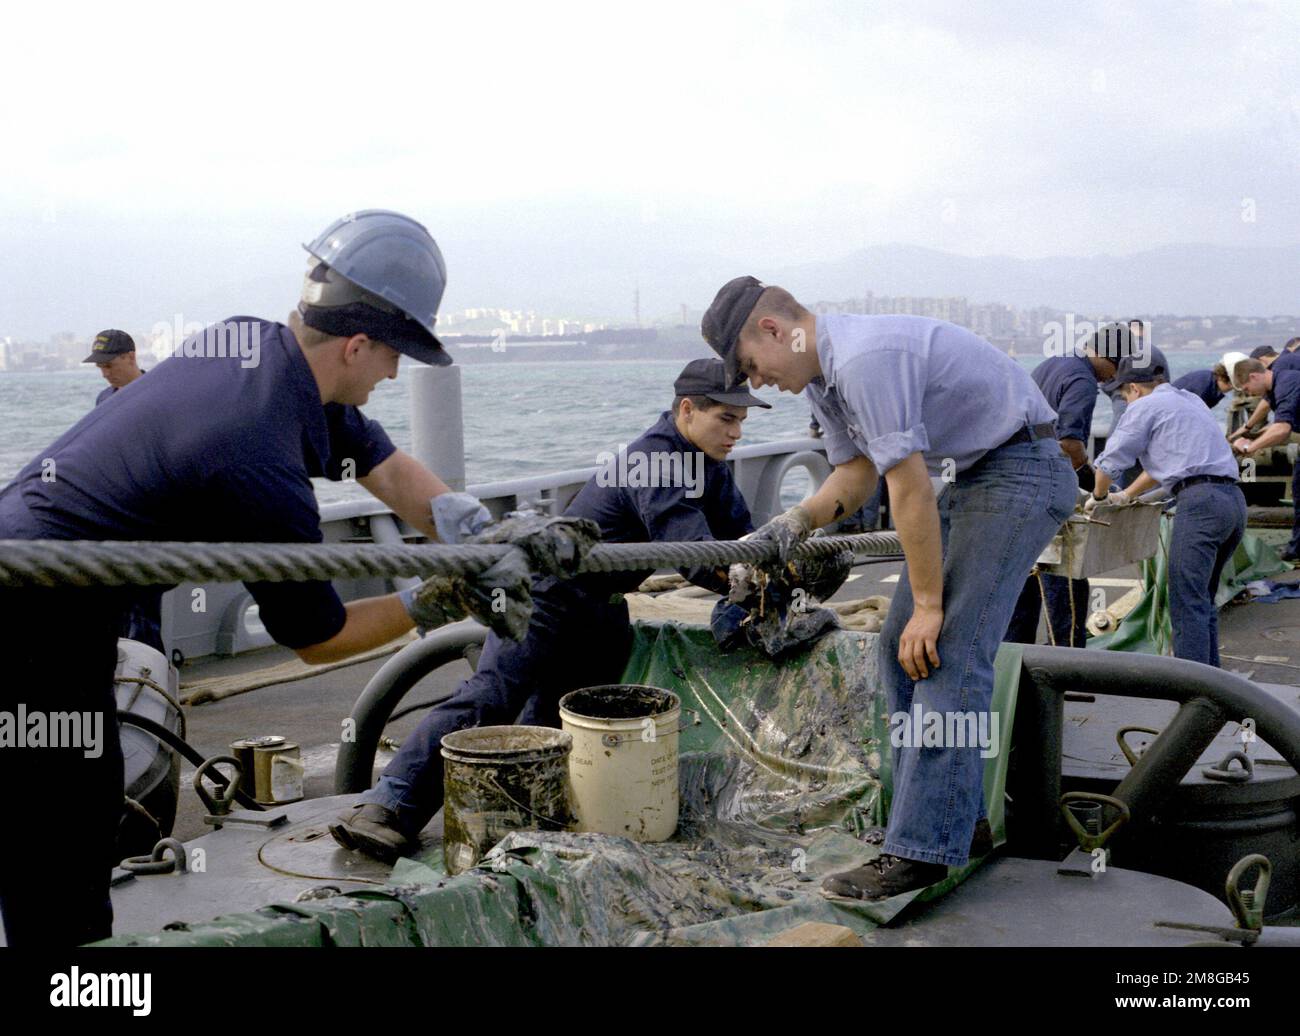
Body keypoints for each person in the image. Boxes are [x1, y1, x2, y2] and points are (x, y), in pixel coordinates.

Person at [0, 210, 543, 947]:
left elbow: (375, 458)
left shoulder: (254, 344)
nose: (393, 374)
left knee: (74, 816)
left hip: (53, 602)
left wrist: (463, 523)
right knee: (62, 840)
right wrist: (439, 598)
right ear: (358, 344)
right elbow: (320, 638)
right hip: (29, 630)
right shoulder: (255, 458)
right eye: (395, 356)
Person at [701, 276, 1075, 900]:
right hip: (976, 475)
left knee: (946, 653)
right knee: (895, 651)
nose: (756, 382)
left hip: (1019, 472)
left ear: (772, 330)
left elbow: (906, 486)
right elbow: (855, 475)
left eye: (750, 367)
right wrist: (794, 522)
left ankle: (922, 852)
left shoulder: (864, 360)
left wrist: (929, 606)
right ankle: (951, 821)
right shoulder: (825, 380)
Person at [330, 358, 768, 861]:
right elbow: (690, 550)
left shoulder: (708, 467)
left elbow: (740, 538)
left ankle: (533, 815)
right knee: (491, 696)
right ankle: (387, 806)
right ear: (688, 410)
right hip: (546, 595)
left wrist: (772, 569)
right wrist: (743, 578)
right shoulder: (655, 460)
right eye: (726, 419)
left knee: (563, 717)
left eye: (741, 422)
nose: (735, 432)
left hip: (602, 609)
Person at [1089, 358, 1246, 663]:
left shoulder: (1142, 407)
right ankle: (1214, 689)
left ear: (1133, 388)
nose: (1125, 401)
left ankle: (1195, 693)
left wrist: (1100, 496)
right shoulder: (1191, 402)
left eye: (1123, 396)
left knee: (1185, 603)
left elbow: (1108, 463)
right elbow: (1175, 464)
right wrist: (1128, 496)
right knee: (1202, 601)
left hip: (1200, 506)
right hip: (1233, 502)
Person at [1005, 341, 1117, 647]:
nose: (1111, 379)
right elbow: (1070, 445)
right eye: (1114, 371)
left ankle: (1017, 665)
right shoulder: (1083, 380)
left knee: (1022, 582)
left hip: (1017, 483)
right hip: (1049, 490)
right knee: (1067, 580)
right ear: (1106, 359)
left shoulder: (1052, 364)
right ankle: (1068, 670)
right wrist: (1096, 484)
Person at [1231, 357, 1300, 561]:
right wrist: (1247, 434)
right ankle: (1297, 549)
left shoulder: (1286, 385)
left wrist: (1250, 448)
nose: (1249, 393)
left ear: (1254, 376)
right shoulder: (1281, 382)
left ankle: (1296, 549)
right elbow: (1276, 424)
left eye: (1247, 388)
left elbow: (1282, 430)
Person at [1228, 346, 1300, 444]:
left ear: (1261, 361)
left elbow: (1267, 405)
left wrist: (1249, 444)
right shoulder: (1288, 360)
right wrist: (1249, 427)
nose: (1250, 393)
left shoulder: (1279, 368)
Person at [84, 328, 146, 404]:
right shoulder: (103, 399)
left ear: (130, 357)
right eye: (100, 367)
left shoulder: (156, 392)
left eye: (109, 366)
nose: (105, 374)